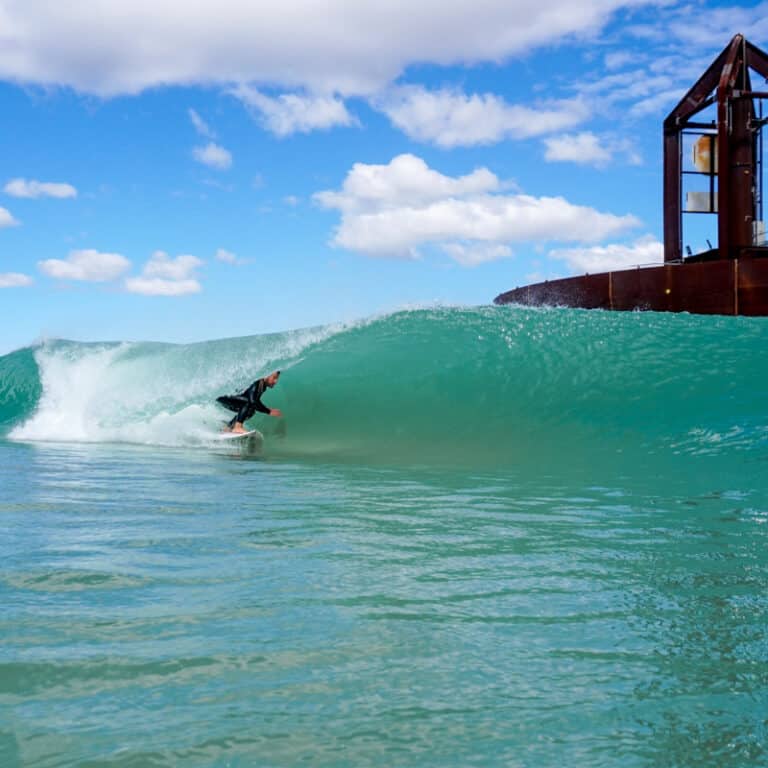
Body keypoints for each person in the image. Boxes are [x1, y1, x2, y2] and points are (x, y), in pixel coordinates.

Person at [216, 370, 283, 433]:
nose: (276, 381)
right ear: (267, 375)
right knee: (248, 402)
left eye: (277, 379)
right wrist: (268, 411)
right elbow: (253, 401)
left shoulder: (263, 386)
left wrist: (268, 410)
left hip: (231, 399)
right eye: (274, 378)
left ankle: (229, 427)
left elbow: (255, 402)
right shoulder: (257, 382)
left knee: (251, 411)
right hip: (225, 397)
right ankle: (238, 427)